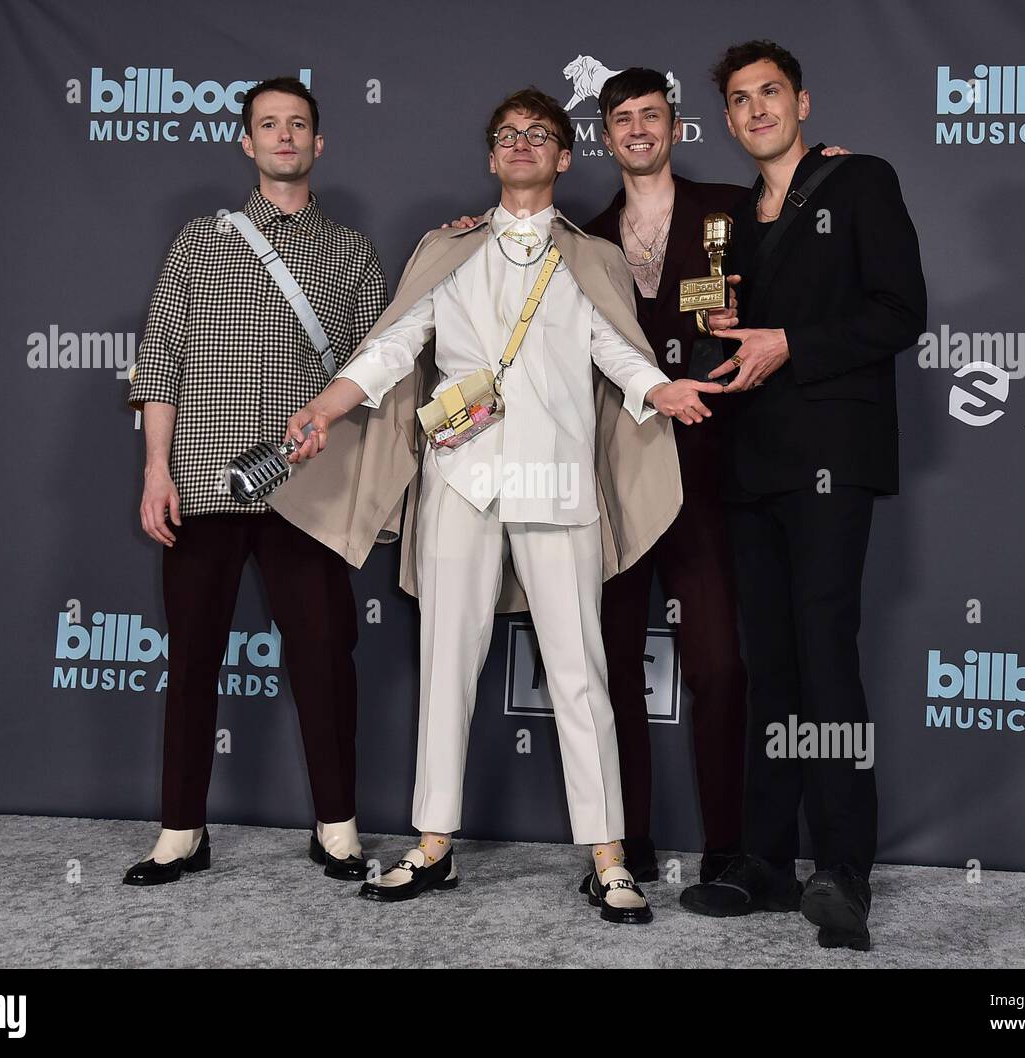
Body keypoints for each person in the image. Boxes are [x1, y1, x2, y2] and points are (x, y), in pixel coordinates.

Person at [274, 87, 720, 924]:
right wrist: (328, 406)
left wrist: (664, 389)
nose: (522, 145)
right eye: (508, 135)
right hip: (460, 483)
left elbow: (618, 354)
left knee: (582, 673)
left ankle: (609, 858)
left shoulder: (593, 258)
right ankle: (433, 845)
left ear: (563, 157)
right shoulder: (448, 251)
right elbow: (393, 347)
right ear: (491, 156)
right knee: (446, 665)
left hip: (558, 485)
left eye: (540, 135)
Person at [677, 42, 926, 952]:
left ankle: (845, 872)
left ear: (802, 102)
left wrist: (791, 343)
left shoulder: (860, 181)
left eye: (768, 94)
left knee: (826, 659)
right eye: (739, 101)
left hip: (832, 456)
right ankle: (767, 864)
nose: (754, 111)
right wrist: (734, 336)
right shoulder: (738, 215)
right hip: (754, 463)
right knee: (769, 666)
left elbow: (901, 311)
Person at [583, 69, 849, 884]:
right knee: (612, 665)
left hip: (718, 468)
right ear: (604, 136)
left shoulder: (736, 208)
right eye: (621, 119)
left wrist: (816, 173)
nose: (637, 130)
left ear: (676, 126)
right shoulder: (584, 238)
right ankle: (622, 847)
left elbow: (804, 252)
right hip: (619, 473)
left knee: (721, 666)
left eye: (651, 116)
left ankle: (730, 850)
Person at [122, 77, 387, 886]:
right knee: (194, 657)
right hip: (201, 483)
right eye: (267, 124)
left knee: (324, 659)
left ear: (318, 143)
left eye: (297, 124)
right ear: (246, 142)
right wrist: (155, 468)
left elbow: (374, 371)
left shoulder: (352, 252)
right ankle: (180, 831)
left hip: (305, 490)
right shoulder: (200, 241)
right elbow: (159, 357)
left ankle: (337, 826)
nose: (282, 136)